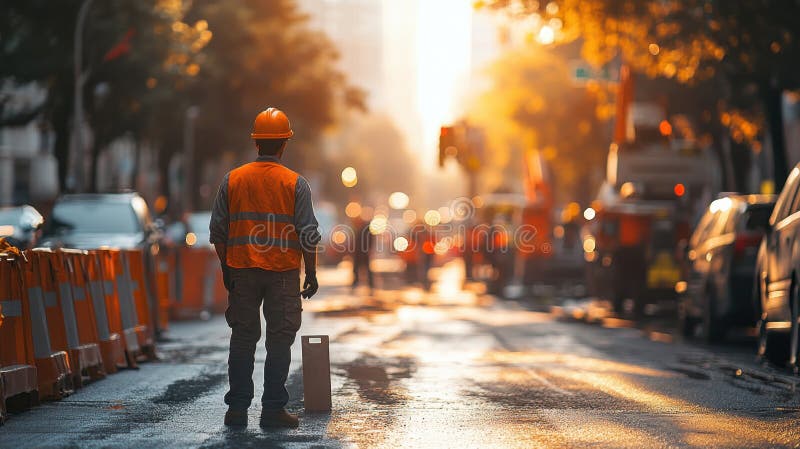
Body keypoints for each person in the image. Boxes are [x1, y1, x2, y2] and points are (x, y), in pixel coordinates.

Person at [210, 107, 321, 429]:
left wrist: (226, 267)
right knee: (279, 341)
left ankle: (237, 410)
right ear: (284, 144)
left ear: (256, 143)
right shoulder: (295, 183)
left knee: (243, 339)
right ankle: (273, 410)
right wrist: (310, 272)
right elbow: (308, 233)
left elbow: (218, 232)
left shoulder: (233, 179)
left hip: (242, 269)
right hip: (284, 274)